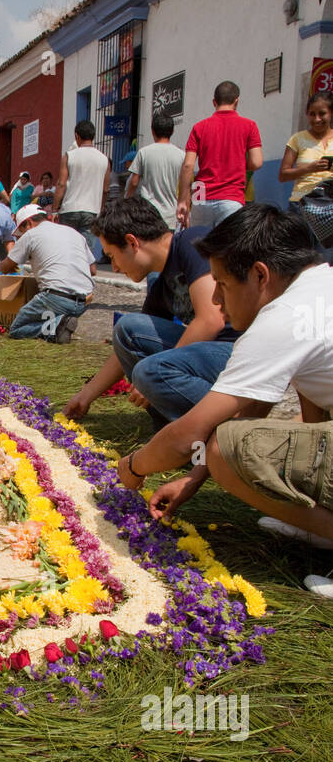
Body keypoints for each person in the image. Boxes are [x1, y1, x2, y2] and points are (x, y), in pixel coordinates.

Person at [114, 204, 333, 596]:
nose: (216, 299)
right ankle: (320, 519)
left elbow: (190, 436)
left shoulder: (284, 316)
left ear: (260, 275)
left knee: (224, 448)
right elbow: (261, 412)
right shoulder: (316, 290)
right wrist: (194, 479)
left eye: (223, 284)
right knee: (233, 441)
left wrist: (135, 465)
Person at [64, 198, 237, 428]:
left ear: (132, 242)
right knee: (129, 331)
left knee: (134, 339)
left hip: (236, 352)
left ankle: (225, 424)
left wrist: (159, 369)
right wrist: (86, 395)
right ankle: (177, 424)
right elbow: (124, 347)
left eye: (112, 256)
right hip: (210, 358)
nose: (114, 268)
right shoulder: (161, 284)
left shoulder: (190, 242)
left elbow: (211, 319)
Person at [2, 204, 95, 344]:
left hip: (55, 298)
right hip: (83, 301)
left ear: (28, 222)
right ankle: (61, 322)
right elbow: (92, 270)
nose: (21, 235)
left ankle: (56, 327)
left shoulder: (31, 235)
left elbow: (5, 267)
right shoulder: (74, 233)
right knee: (47, 312)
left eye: (21, 229)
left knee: (16, 328)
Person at [177, 80, 263, 229]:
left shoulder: (199, 127)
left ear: (214, 102)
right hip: (231, 197)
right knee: (225, 249)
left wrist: (183, 201)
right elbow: (256, 162)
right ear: (237, 101)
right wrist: (239, 163)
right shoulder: (249, 126)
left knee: (199, 247)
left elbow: (188, 165)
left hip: (201, 195)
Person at [279, 90, 333, 246]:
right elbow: (283, 175)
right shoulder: (298, 139)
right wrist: (309, 168)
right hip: (300, 206)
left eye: (322, 113)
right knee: (301, 259)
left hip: (329, 209)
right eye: (312, 114)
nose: (317, 119)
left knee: (327, 262)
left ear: (331, 113)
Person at [52, 121, 110, 253]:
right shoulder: (104, 159)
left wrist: (55, 209)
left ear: (77, 136)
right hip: (92, 210)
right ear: (93, 136)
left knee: (66, 250)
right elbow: (106, 189)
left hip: (69, 209)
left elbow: (61, 184)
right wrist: (100, 208)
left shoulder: (69, 156)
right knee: (85, 252)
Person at [125, 113, 185, 228]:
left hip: (147, 215)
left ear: (152, 131)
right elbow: (185, 185)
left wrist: (127, 201)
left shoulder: (144, 152)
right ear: (172, 131)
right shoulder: (181, 155)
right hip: (171, 216)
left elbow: (134, 182)